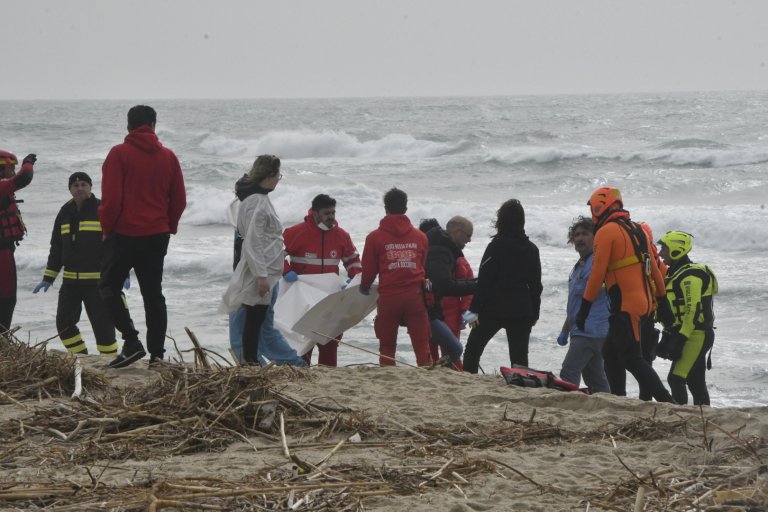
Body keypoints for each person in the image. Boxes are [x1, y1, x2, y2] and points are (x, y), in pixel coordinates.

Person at [98, 105, 186, 368]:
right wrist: (168, 226)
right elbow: (179, 199)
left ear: (129, 126)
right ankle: (157, 355)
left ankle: (132, 341)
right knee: (153, 294)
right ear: (154, 124)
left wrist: (106, 229)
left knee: (108, 287)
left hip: (125, 233)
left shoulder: (119, 154)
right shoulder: (168, 156)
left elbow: (112, 200)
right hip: (157, 235)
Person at [575, 186, 674, 402]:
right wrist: (662, 300)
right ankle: (618, 399)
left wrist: (583, 309)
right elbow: (655, 267)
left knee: (632, 360)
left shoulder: (606, 232)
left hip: (626, 305)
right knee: (610, 352)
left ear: (601, 206)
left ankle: (669, 402)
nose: (593, 213)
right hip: (646, 304)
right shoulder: (637, 228)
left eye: (593, 208)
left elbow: (597, 275)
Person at [32, 172, 120, 355]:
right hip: (70, 282)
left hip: (98, 282)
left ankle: (109, 361)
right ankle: (82, 357)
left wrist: (121, 270)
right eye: (75, 185)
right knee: (63, 324)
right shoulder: (64, 212)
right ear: (70, 189)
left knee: (103, 327)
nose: (79, 188)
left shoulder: (102, 208)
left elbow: (116, 243)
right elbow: (56, 246)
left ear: (90, 187)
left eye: (83, 184)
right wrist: (49, 277)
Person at [226, 177, 306, 367]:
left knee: (240, 333)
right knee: (265, 330)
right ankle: (294, 364)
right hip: (268, 277)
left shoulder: (250, 215)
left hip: (254, 279)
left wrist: (260, 277)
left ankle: (254, 366)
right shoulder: (255, 212)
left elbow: (255, 249)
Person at [462, 199, 542, 374]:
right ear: (522, 221)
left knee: (472, 352)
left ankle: (469, 384)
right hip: (522, 310)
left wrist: (472, 312)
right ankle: (519, 390)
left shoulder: (496, 246)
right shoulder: (532, 249)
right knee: (520, 361)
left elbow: (484, 281)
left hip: (493, 308)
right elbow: (536, 285)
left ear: (501, 221)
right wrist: (535, 312)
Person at [283, 194, 362, 366]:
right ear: (316, 213)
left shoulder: (342, 235)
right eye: (327, 213)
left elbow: (353, 260)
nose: (331, 217)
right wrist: (285, 270)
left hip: (330, 300)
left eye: (333, 212)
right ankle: (303, 373)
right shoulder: (296, 232)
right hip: (303, 300)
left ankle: (328, 376)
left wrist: (354, 277)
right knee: (303, 342)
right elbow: (274, 253)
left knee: (330, 341)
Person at [221, 155, 285, 365]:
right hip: (259, 270)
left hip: (263, 268)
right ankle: (250, 362)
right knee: (254, 320)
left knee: (255, 319)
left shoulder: (255, 199)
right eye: (278, 176)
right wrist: (261, 276)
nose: (278, 180)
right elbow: (253, 241)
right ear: (268, 176)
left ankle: (251, 361)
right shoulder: (257, 202)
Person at [360, 188, 431, 366]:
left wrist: (364, 286)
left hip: (389, 297)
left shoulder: (374, 237)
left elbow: (368, 270)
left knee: (387, 345)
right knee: (422, 344)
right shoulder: (421, 237)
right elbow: (422, 265)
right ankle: (426, 373)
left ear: (386, 208)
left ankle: (388, 374)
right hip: (415, 296)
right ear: (406, 208)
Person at [656, 231, 718, 405]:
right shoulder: (675, 273)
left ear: (676, 249)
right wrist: (667, 336)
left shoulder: (692, 276)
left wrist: (680, 340)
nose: (660, 254)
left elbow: (691, 312)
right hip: (687, 334)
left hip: (696, 335)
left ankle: (681, 414)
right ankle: (702, 416)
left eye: (664, 249)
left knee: (675, 378)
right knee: (695, 381)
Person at [557, 216, 610, 392]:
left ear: (595, 237)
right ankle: (608, 405)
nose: (579, 238)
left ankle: (569, 406)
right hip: (581, 330)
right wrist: (565, 329)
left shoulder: (597, 262)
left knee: (569, 370)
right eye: (576, 234)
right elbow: (576, 302)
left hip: (591, 329)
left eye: (585, 234)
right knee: (594, 377)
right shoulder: (580, 265)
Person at [423, 216, 478, 370]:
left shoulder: (456, 258)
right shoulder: (450, 255)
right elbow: (469, 289)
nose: (469, 241)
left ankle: (441, 373)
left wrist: (469, 315)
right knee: (435, 351)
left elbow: (468, 291)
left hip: (446, 312)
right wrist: (468, 315)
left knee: (444, 351)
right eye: (468, 236)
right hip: (437, 310)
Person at [0, 151, 36, 333]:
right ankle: (2, 337)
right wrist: (28, 162)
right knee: (6, 298)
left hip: (5, 250)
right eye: (11, 168)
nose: (13, 172)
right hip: (2, 252)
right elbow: (25, 178)